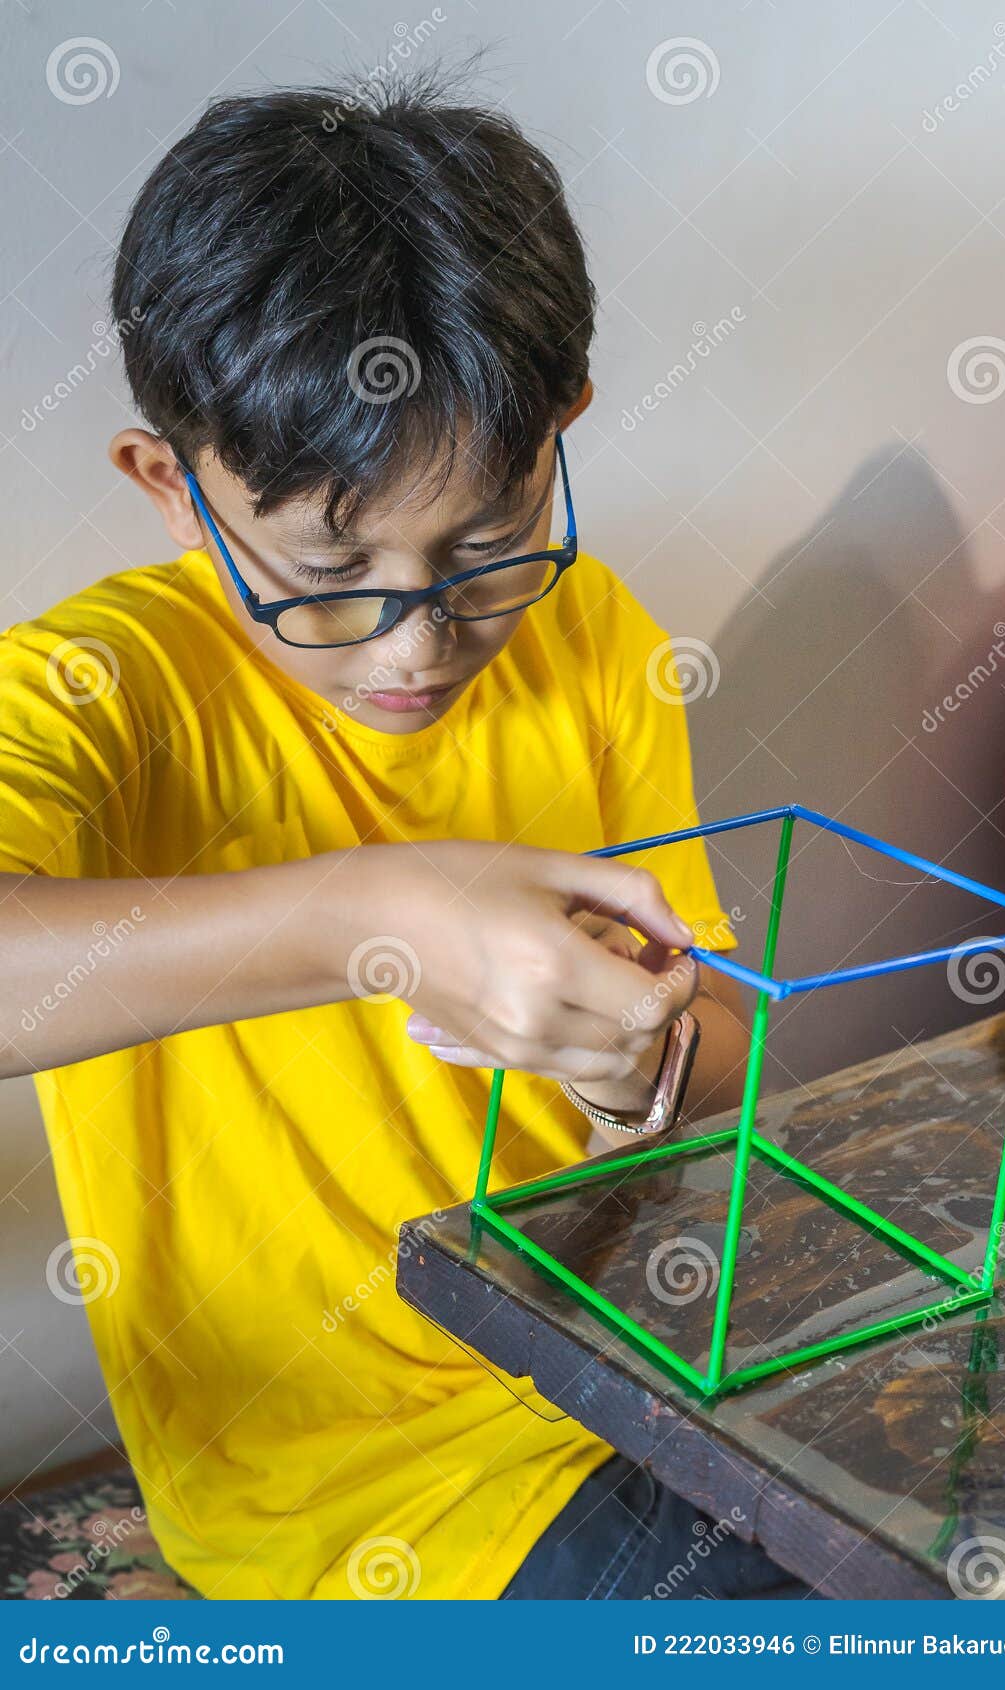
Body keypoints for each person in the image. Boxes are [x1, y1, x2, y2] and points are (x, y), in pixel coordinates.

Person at [0, 70, 803, 1599]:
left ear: (558, 431)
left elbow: (716, 1049)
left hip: (635, 1356)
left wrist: (642, 1064)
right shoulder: (105, 689)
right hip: (365, 1477)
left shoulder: (596, 636)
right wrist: (373, 916)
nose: (414, 645)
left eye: (487, 541)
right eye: (329, 565)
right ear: (171, 485)